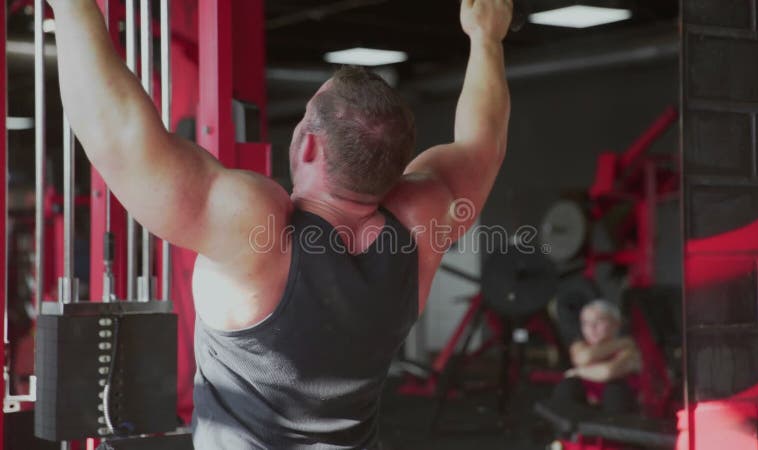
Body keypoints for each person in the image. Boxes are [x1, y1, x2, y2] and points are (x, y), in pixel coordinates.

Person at [46, 0, 513, 448]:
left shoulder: (257, 229)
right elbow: (483, 143)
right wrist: (486, 37)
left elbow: (119, 138)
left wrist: (69, 6)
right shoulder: (422, 222)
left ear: (308, 147)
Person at [553, 300, 642, 414]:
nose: (591, 327)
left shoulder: (630, 351)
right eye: (586, 323)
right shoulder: (580, 345)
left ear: (616, 324)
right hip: (586, 407)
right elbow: (584, 357)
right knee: (568, 386)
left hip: (621, 412)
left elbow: (608, 371)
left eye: (598, 321)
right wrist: (621, 343)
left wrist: (577, 372)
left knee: (614, 390)